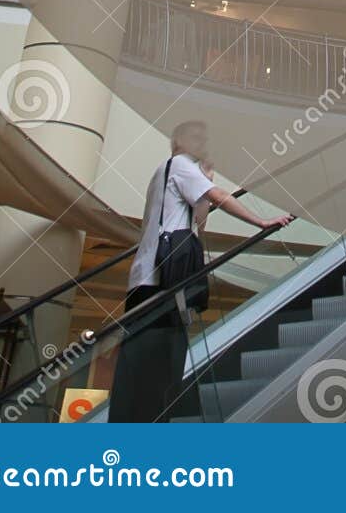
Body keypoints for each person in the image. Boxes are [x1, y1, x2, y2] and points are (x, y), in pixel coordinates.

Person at [108, 121, 292, 422]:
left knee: (145, 365)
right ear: (178, 141)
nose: (203, 143)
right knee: (159, 365)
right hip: (158, 282)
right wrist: (261, 221)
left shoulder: (170, 172)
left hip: (151, 279)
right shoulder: (179, 164)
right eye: (197, 137)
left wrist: (205, 177)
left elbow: (198, 225)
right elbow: (219, 196)